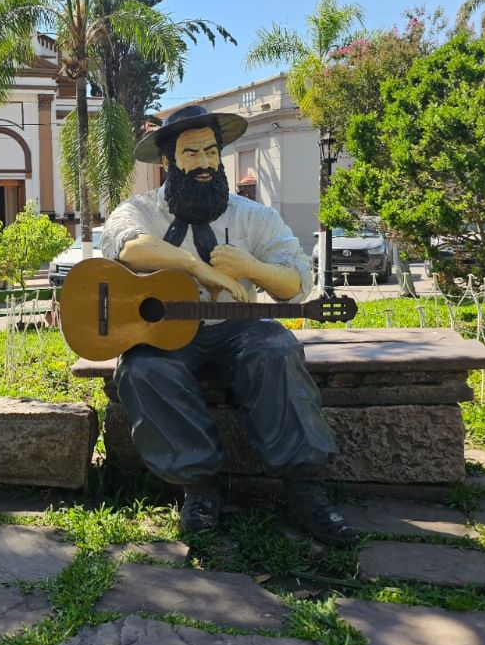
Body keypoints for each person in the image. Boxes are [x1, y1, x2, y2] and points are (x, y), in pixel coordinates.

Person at [100, 105, 358, 545]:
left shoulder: (253, 216)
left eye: (210, 151)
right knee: (143, 370)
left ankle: (303, 490)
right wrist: (196, 268)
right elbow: (126, 248)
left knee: (275, 351)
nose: (203, 163)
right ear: (167, 162)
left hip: (240, 328)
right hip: (166, 335)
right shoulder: (140, 209)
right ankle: (200, 487)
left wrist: (251, 266)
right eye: (190, 153)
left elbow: (295, 281)